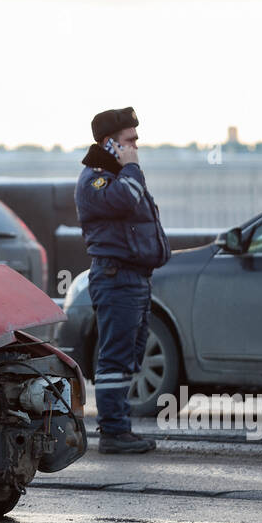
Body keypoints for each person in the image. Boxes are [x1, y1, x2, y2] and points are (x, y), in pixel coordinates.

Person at [75, 106, 172, 454]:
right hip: (116, 278)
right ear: (109, 143)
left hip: (135, 278)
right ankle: (114, 432)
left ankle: (121, 428)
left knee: (130, 356)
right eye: (129, 140)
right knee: (114, 358)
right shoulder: (96, 180)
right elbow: (125, 201)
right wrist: (131, 168)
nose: (135, 146)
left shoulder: (119, 176)